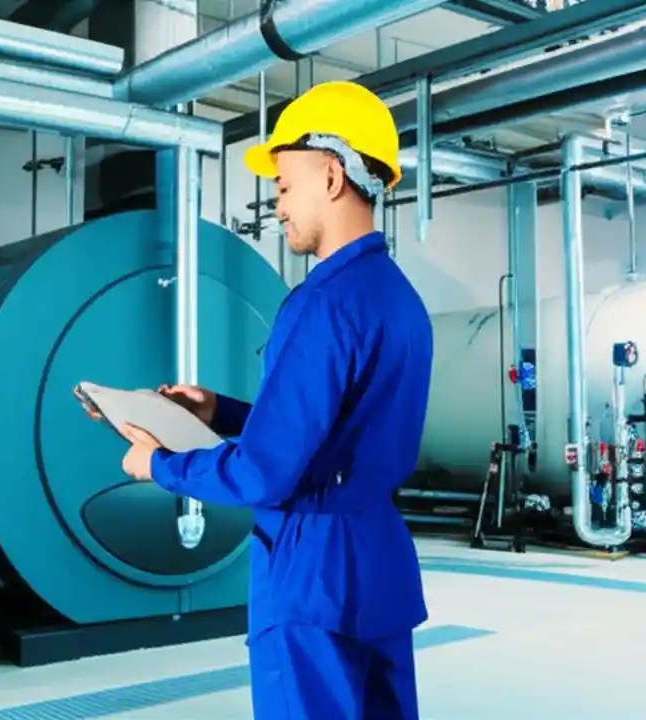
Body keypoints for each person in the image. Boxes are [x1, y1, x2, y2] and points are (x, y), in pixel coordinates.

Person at [106, 80, 434, 719]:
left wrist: (159, 465)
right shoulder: (400, 300)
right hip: (377, 561)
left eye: (284, 187)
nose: (276, 207)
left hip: (312, 573)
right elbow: (331, 436)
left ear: (332, 176)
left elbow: (266, 470)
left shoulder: (320, 304)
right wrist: (220, 412)